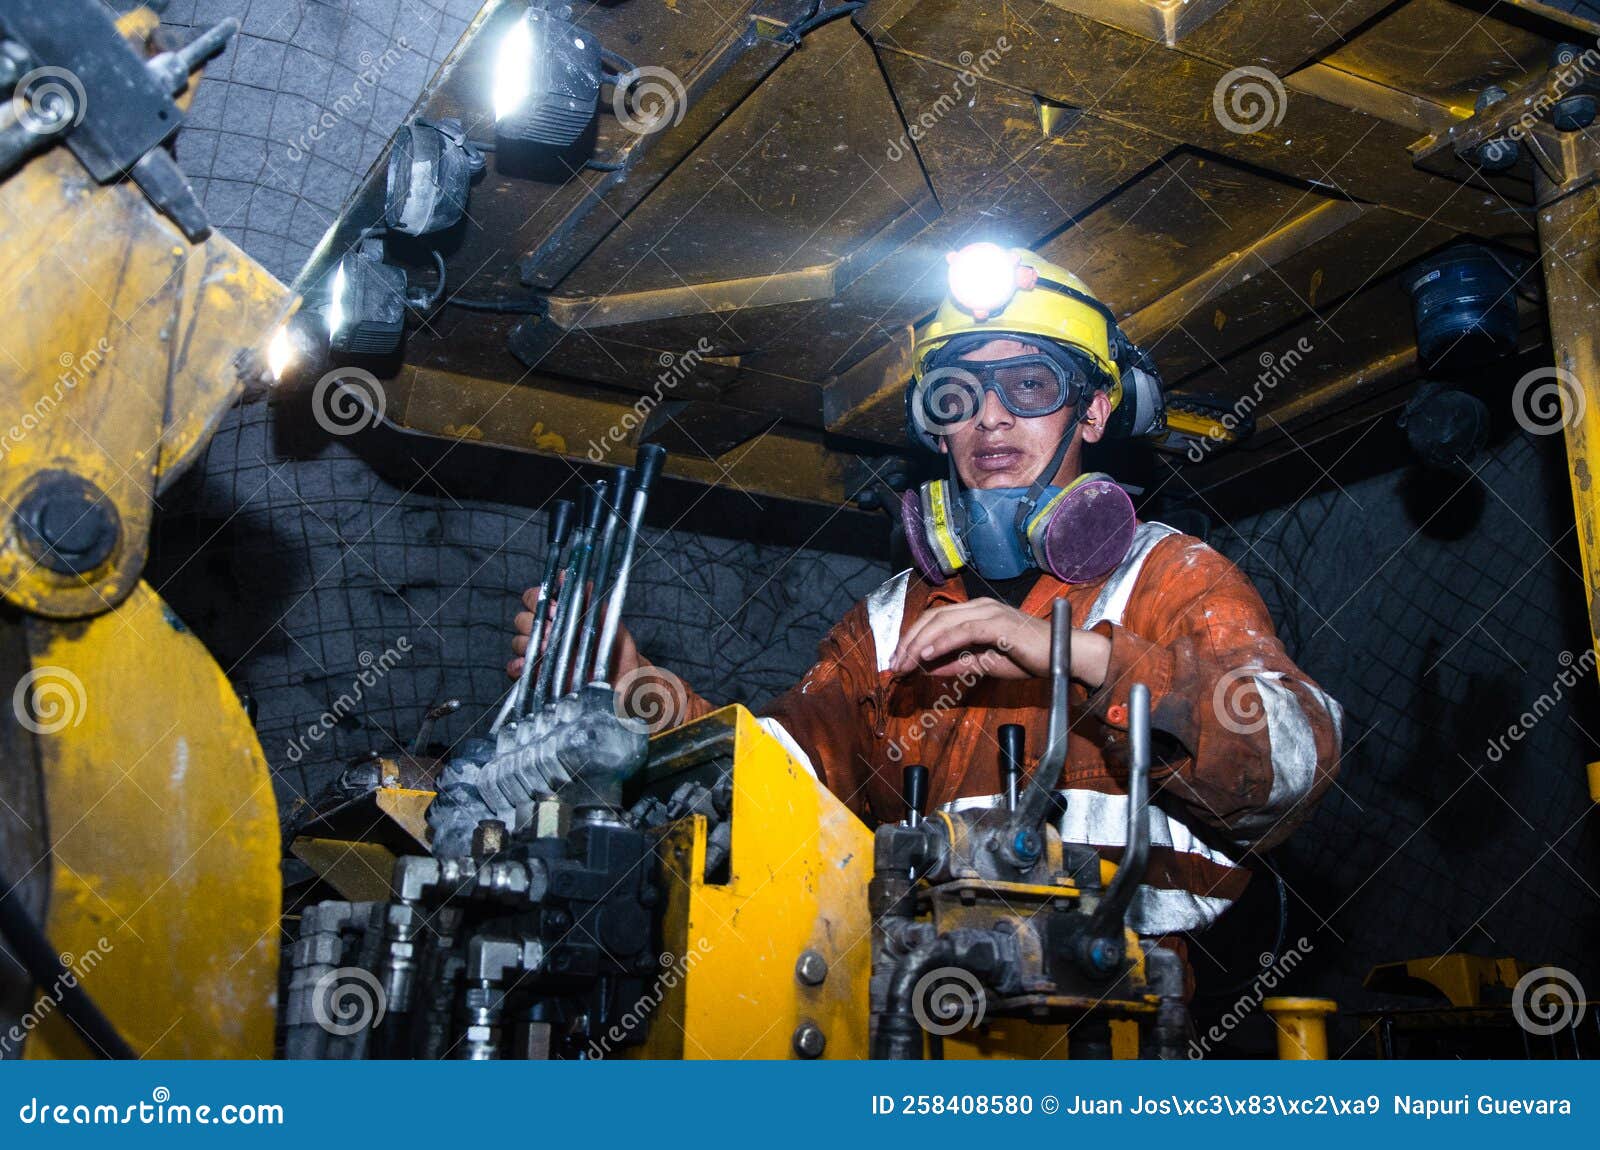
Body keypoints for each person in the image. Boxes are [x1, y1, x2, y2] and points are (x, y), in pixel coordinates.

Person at [509, 244, 1343, 978]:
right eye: (955, 395)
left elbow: (1296, 765)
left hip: (1115, 1028)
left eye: (1029, 384)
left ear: (1093, 410)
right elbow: (779, 788)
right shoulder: (885, 624)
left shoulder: (1165, 575)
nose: (989, 418)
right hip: (916, 1016)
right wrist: (639, 694)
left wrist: (1074, 654)